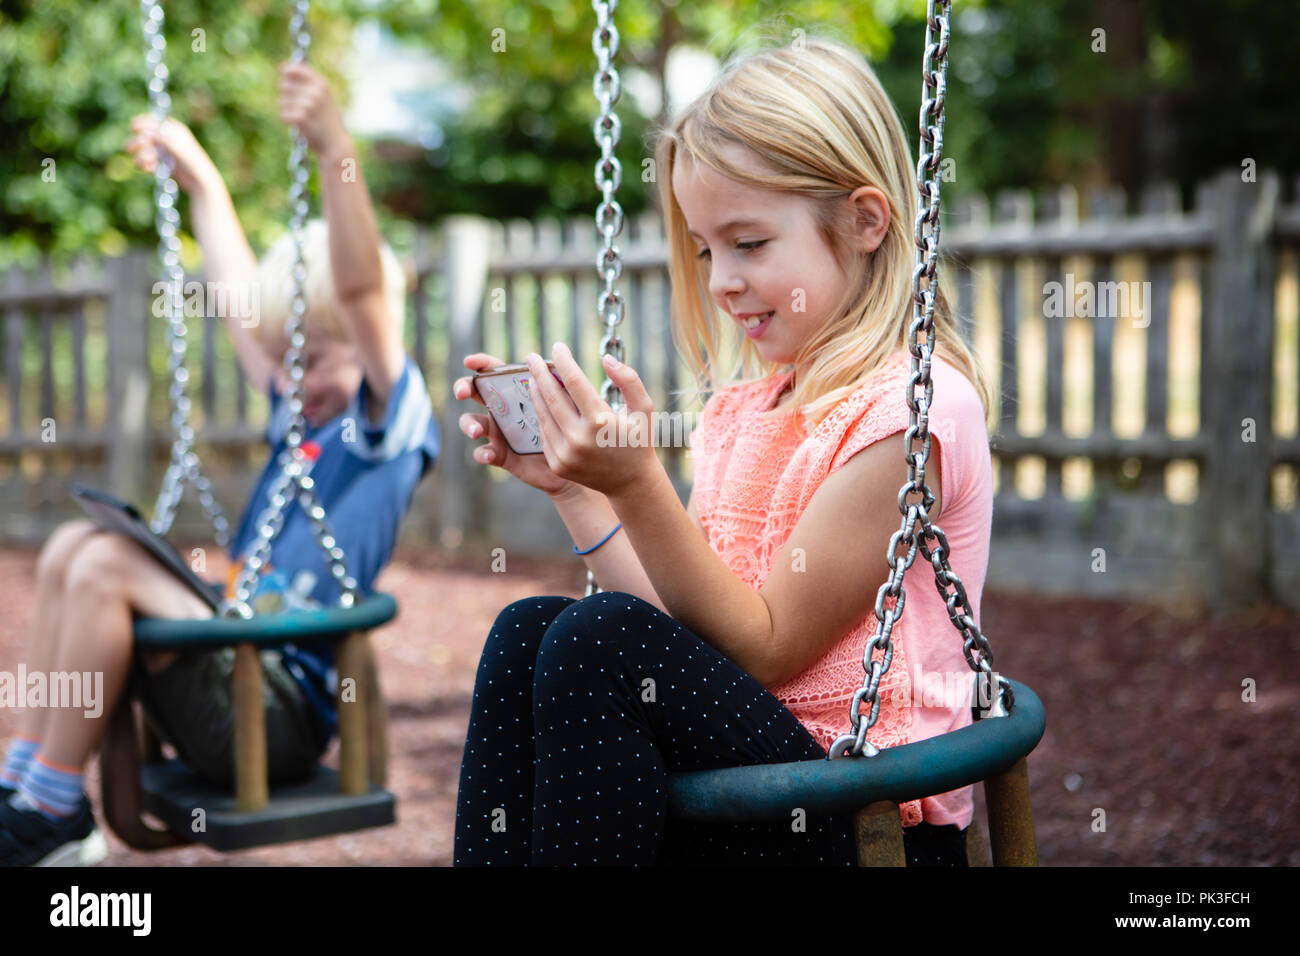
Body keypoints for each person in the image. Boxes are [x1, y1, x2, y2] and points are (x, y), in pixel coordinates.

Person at [450, 36, 994, 866]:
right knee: (530, 629)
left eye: (749, 243)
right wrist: (580, 492)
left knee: (598, 640)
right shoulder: (745, 412)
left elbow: (768, 647)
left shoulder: (913, 413)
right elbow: (692, 628)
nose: (720, 281)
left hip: (865, 821)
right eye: (706, 249)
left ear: (865, 220)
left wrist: (640, 489)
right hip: (757, 797)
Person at [0, 62, 438, 866]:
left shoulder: (388, 422)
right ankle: (23, 782)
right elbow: (239, 295)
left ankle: (57, 815)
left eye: (315, 360)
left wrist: (335, 146)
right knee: (71, 548)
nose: (293, 382)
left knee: (102, 567)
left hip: (276, 717)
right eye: (284, 363)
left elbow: (360, 288)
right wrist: (197, 174)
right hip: (230, 674)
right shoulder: (298, 406)